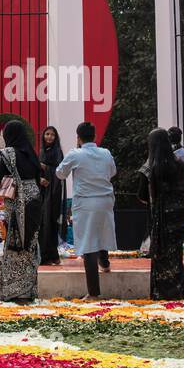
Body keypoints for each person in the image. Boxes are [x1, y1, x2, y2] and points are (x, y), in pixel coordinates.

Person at [55, 121, 117, 299]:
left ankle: (94, 292)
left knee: (88, 244)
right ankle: (105, 264)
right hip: (105, 200)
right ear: (95, 136)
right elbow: (112, 171)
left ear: (78, 138)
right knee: (102, 233)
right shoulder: (105, 153)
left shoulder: (76, 154)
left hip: (86, 202)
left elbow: (60, 173)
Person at [136, 127, 184, 300]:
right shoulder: (180, 165)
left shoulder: (149, 168)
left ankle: (161, 293)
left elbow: (142, 196)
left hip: (161, 221)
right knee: (176, 255)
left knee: (160, 256)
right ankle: (179, 291)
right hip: (180, 219)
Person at [0, 119, 42, 303]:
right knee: (29, 245)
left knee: (14, 246)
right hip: (34, 202)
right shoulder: (31, 153)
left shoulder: (8, 154)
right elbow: (38, 177)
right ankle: (28, 291)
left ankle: (14, 291)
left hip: (17, 205)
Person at [37, 126, 66, 265]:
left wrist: (46, 168)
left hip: (53, 193)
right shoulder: (41, 151)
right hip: (42, 192)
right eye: (47, 134)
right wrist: (39, 179)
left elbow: (60, 172)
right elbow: (35, 170)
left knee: (50, 222)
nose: (49, 137)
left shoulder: (58, 152)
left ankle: (51, 255)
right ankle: (44, 255)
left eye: (52, 135)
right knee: (42, 224)